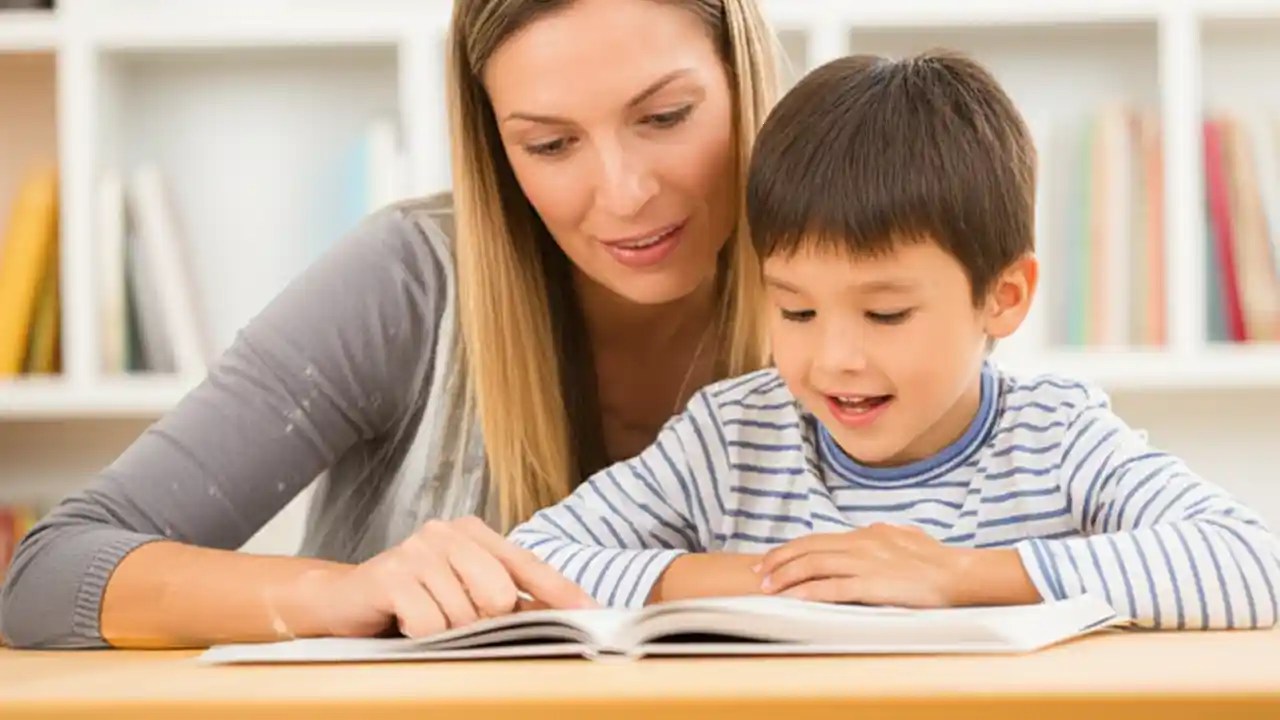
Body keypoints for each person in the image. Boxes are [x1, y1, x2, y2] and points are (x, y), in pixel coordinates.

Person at [0, 0, 783, 648]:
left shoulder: (880, 276)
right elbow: (45, 576)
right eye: (550, 144)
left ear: (743, 81)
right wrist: (342, 594)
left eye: (665, 117)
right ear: (496, 149)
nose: (622, 193)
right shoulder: (408, 284)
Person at [508, 51, 1280, 629]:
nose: (835, 357)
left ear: (1003, 298)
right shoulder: (733, 436)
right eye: (798, 312)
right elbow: (534, 563)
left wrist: (958, 577)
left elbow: (1251, 565)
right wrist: (777, 580)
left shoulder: (1055, 438)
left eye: (885, 315)